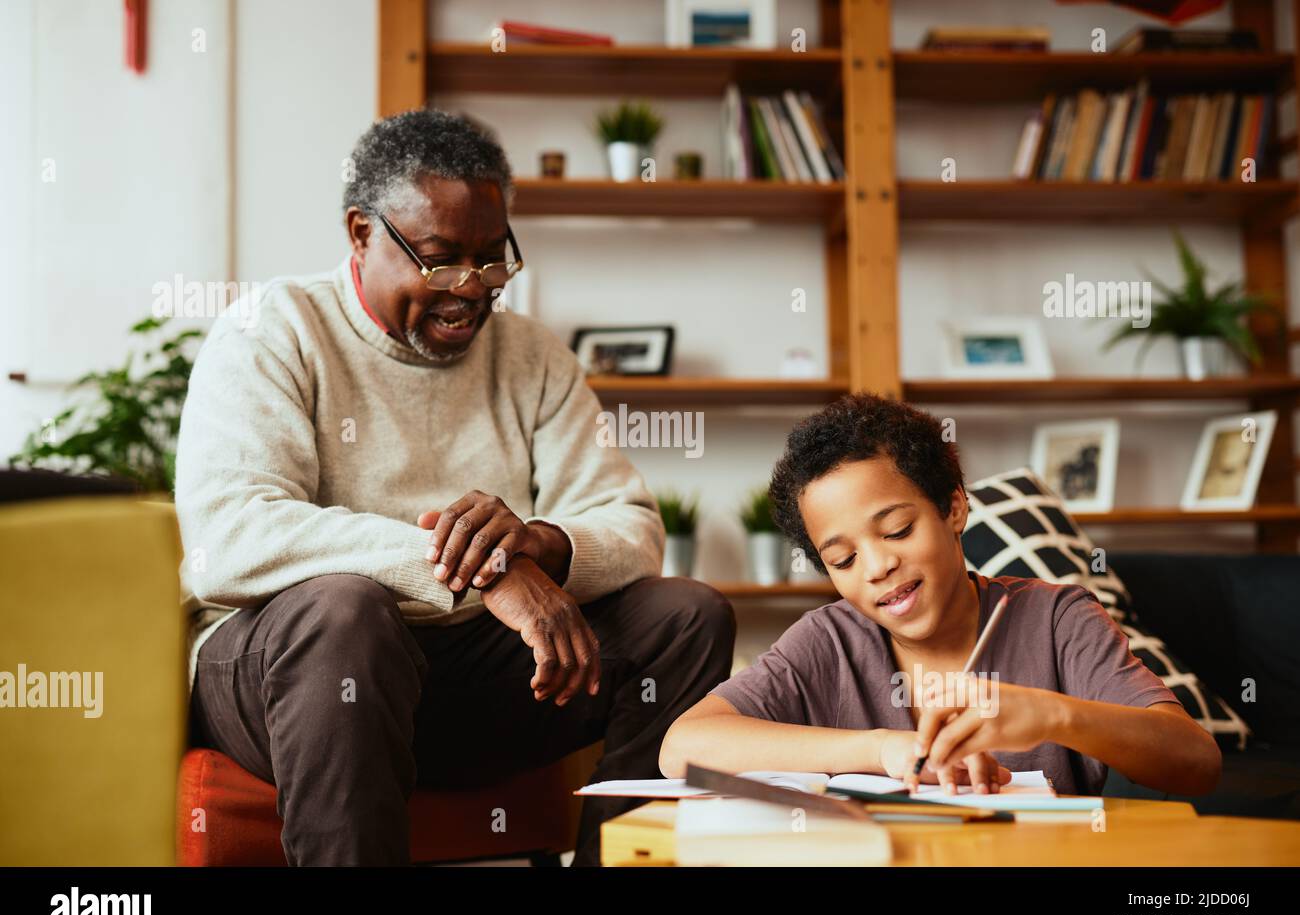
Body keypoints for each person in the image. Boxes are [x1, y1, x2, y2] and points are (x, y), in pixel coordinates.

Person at [174, 109, 735, 866]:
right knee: (346, 611)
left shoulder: (532, 356)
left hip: (460, 683)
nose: (470, 290)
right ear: (360, 234)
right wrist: (487, 574)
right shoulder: (271, 330)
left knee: (688, 616)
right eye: (440, 260)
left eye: (492, 260)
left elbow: (631, 525)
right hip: (291, 675)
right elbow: (229, 537)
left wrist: (540, 543)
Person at [660, 392, 1220, 798]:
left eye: (898, 530)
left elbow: (1196, 762)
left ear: (954, 508)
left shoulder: (1055, 619)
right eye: (844, 560)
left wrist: (1051, 715)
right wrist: (879, 749)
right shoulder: (829, 642)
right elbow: (681, 747)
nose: (878, 566)